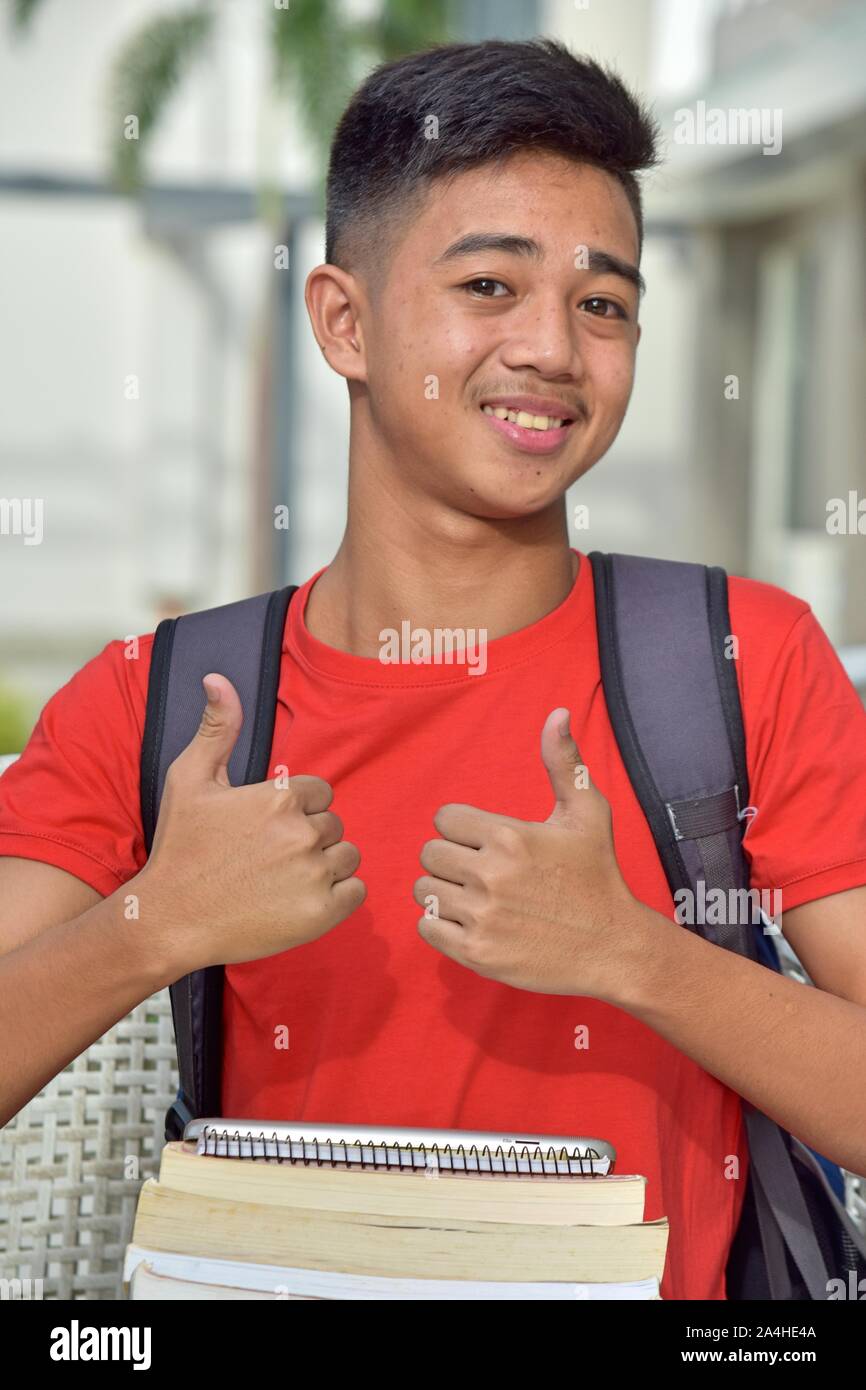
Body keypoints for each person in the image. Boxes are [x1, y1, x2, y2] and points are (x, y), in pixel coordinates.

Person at [2, 39, 866, 1302]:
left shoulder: (742, 660)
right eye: (488, 285)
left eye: (601, 303)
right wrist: (157, 923)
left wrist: (639, 957)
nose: (552, 352)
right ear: (344, 323)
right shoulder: (165, 698)